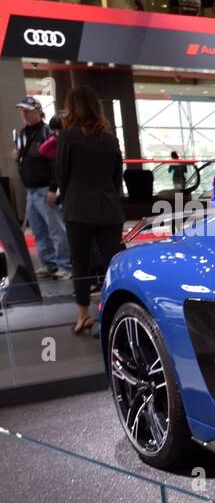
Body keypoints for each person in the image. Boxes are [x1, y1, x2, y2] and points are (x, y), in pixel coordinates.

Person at [55, 86, 125, 333]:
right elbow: (118, 177)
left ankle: (83, 315)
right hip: (109, 208)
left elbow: (62, 175)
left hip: (78, 209)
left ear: (73, 108)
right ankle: (114, 311)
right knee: (112, 264)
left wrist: (67, 195)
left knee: (80, 264)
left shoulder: (67, 137)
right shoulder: (111, 138)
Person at [13, 96, 71, 279]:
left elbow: (55, 162)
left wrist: (53, 188)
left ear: (38, 111)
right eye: (22, 111)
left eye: (28, 110)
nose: (24, 114)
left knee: (56, 229)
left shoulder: (47, 132)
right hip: (30, 189)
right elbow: (22, 158)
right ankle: (50, 263)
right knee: (39, 231)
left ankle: (66, 265)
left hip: (45, 188)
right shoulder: (23, 134)